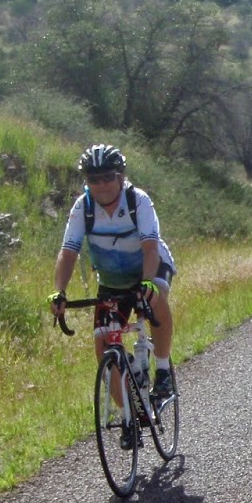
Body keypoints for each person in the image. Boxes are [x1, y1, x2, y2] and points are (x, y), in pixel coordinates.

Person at [50, 144, 177, 449]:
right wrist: (60, 291)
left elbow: (149, 247)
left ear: (121, 177)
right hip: (111, 281)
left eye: (109, 177)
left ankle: (162, 370)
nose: (102, 185)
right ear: (87, 182)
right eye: (95, 179)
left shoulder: (138, 201)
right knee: (102, 345)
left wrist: (147, 283)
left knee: (155, 298)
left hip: (150, 267)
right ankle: (129, 417)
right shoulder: (84, 207)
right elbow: (69, 252)